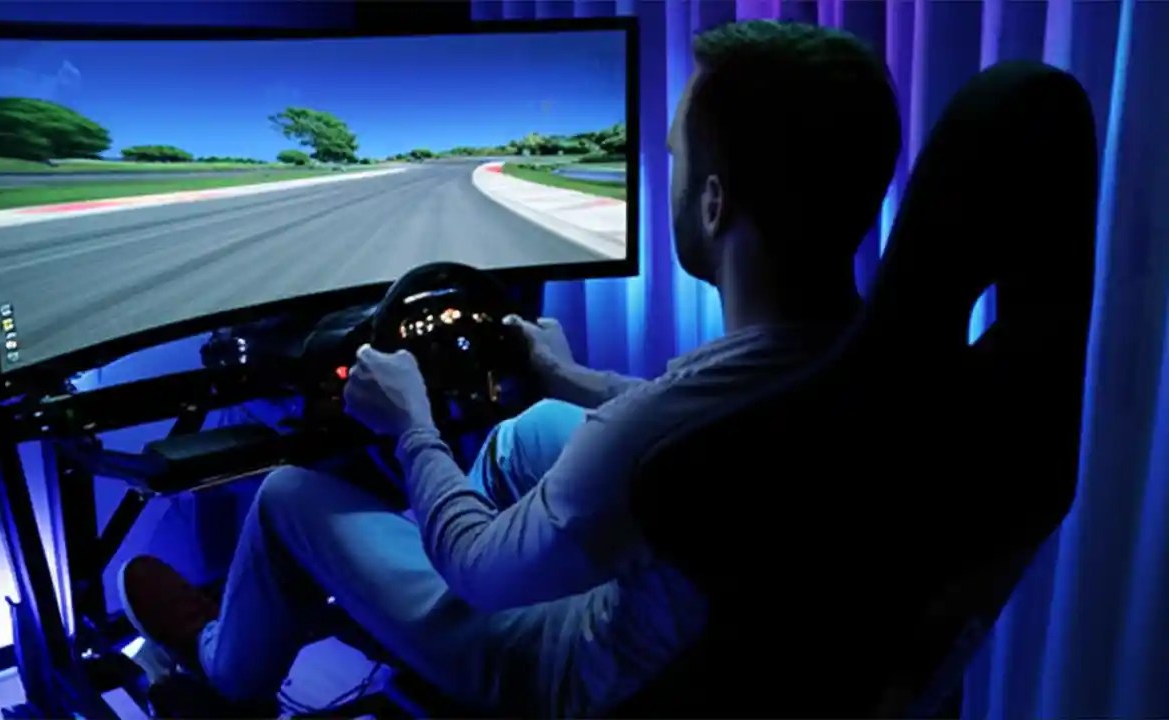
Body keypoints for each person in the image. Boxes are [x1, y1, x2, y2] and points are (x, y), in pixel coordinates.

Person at [119, 20, 902, 718]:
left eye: (672, 155)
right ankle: (409, 542)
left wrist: (412, 420)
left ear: (712, 204)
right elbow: (686, 417)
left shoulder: (664, 431)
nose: (663, 170)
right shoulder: (863, 364)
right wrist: (573, 380)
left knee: (289, 491)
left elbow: (484, 576)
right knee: (533, 424)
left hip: (558, 673)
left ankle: (219, 663)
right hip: (714, 643)